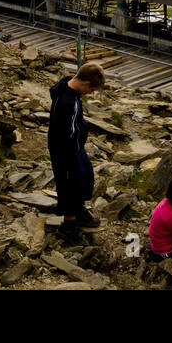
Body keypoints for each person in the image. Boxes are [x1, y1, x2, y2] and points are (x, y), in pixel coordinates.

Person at [48, 61, 107, 229]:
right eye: (90, 90)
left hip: (71, 148)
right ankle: (70, 223)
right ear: (86, 83)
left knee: (85, 175)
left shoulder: (65, 88)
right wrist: (76, 149)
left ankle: (79, 209)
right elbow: (70, 131)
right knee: (71, 183)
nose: (89, 93)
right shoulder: (70, 102)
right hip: (66, 151)